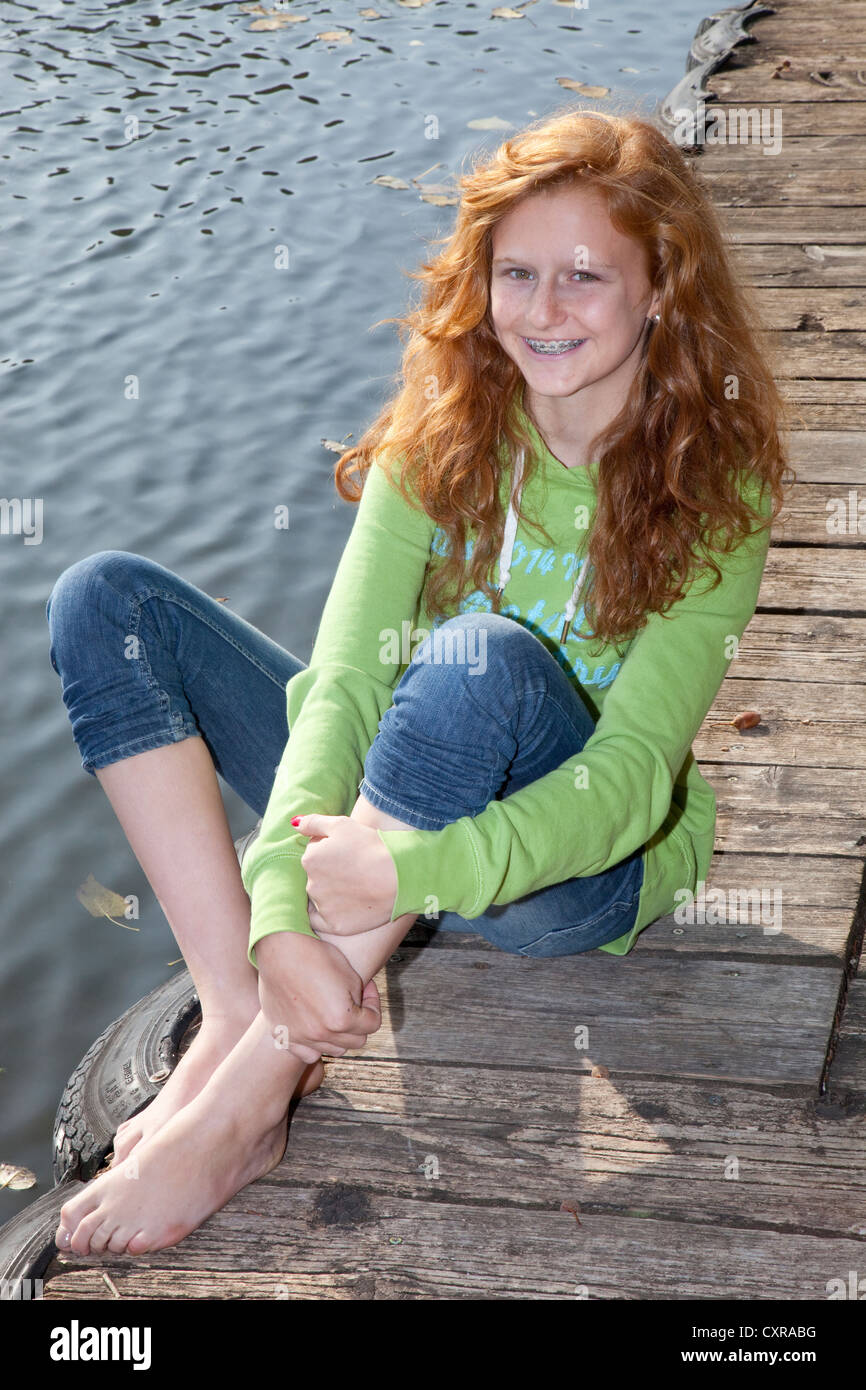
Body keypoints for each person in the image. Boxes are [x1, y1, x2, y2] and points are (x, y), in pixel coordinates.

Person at [45, 106, 790, 1257]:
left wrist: (408, 866)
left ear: (660, 291)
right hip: (396, 814)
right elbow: (341, 685)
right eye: (517, 272)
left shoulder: (716, 487)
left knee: (475, 657)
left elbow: (634, 778)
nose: (542, 311)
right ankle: (245, 999)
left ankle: (253, 1097)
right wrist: (282, 912)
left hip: (574, 879)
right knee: (108, 602)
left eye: (585, 276)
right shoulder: (441, 433)